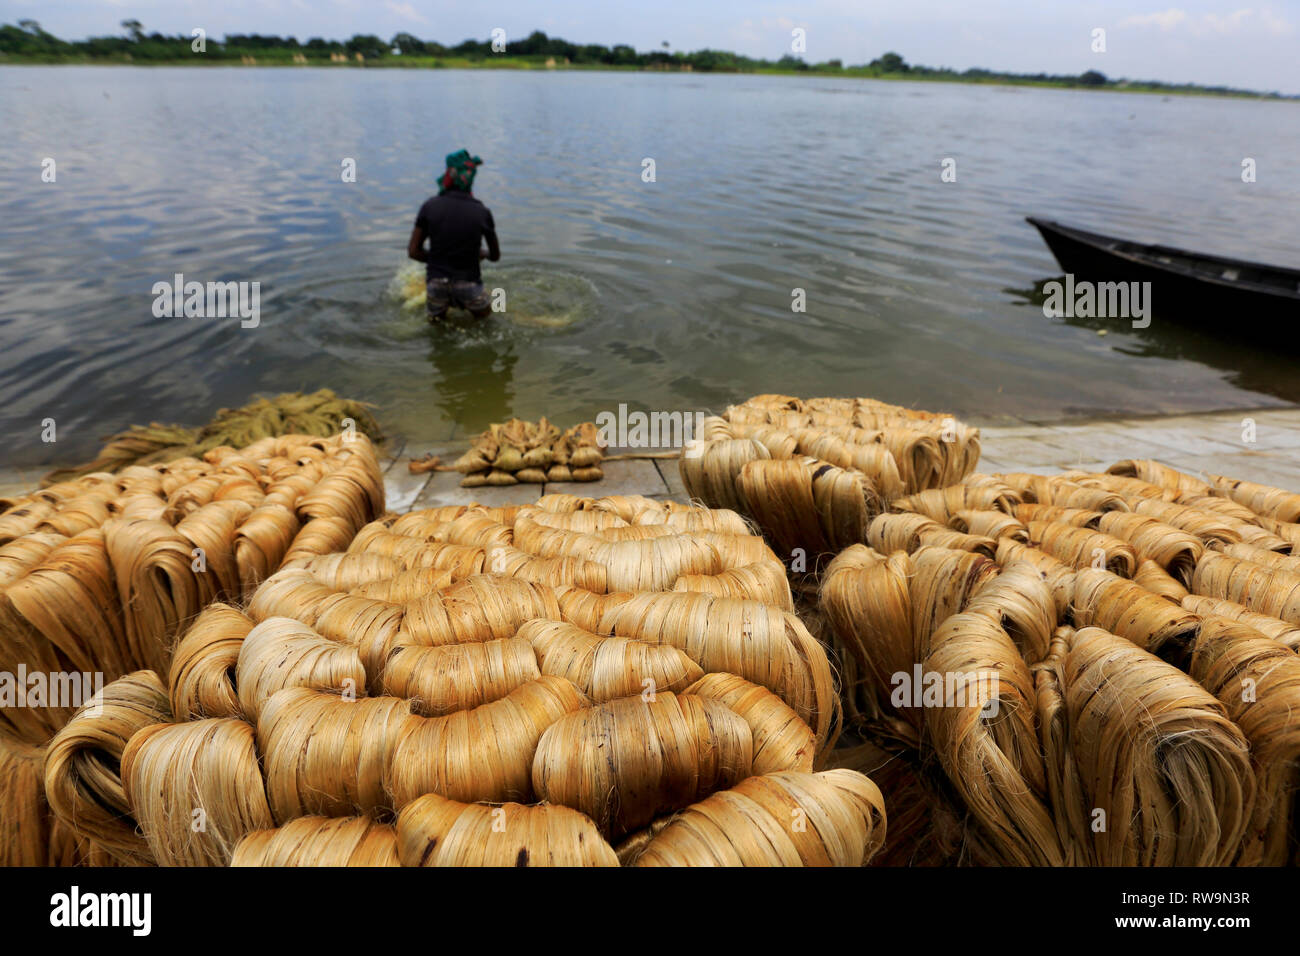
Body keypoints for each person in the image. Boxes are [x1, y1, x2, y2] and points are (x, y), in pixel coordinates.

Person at [408, 149, 500, 322]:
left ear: (448, 174)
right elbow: (495, 256)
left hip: (436, 285)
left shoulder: (429, 206)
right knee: (487, 322)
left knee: (437, 328)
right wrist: (482, 254)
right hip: (469, 285)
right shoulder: (482, 211)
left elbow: (413, 252)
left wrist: (439, 259)